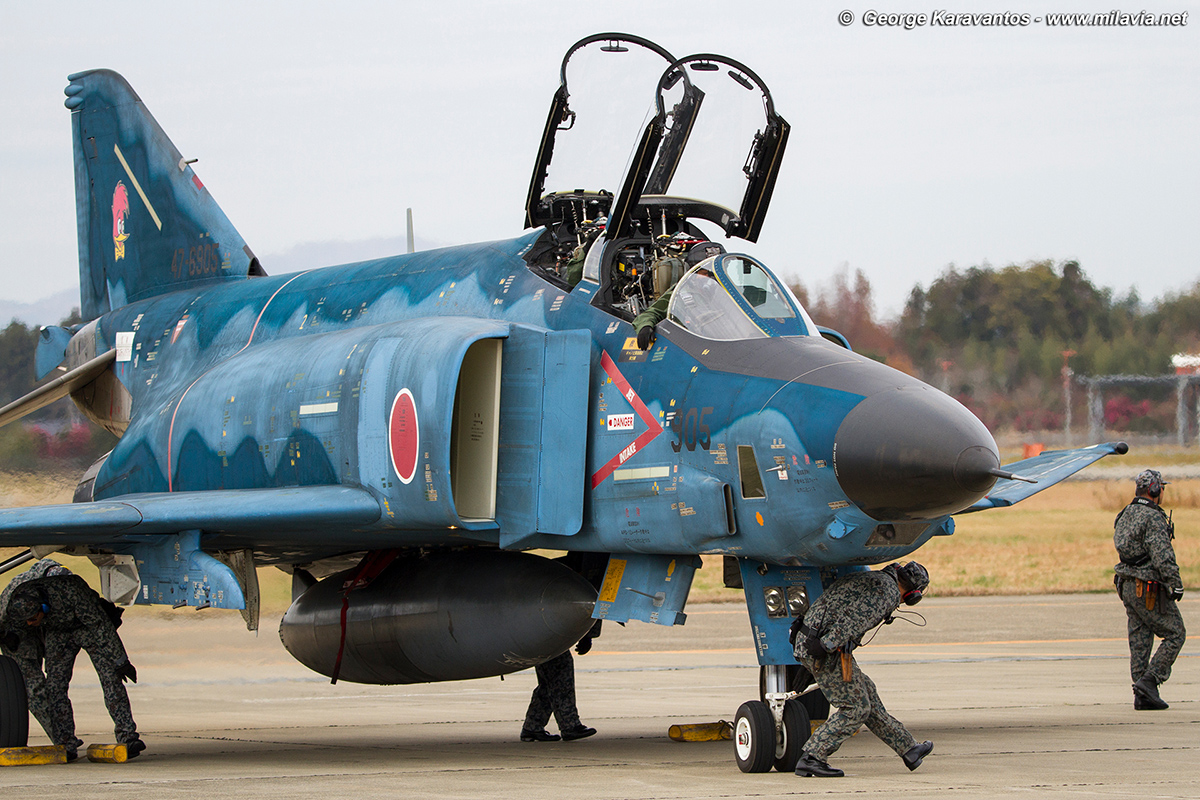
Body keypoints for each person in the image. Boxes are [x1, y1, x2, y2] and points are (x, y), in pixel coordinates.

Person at [791, 562, 933, 778]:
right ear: (913, 594)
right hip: (824, 648)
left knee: (867, 692)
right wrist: (824, 647)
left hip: (816, 642)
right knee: (856, 707)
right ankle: (812, 757)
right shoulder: (887, 593)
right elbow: (853, 621)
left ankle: (909, 748)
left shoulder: (876, 579)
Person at [2, 572, 144, 761]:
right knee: (55, 687)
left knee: (111, 677)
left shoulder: (72, 593)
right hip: (58, 633)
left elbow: (100, 626)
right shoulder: (19, 601)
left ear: (43, 607)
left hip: (87, 627)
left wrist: (120, 660)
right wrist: (11, 636)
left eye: (33, 618)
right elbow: (13, 624)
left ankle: (128, 736)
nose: (30, 623)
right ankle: (65, 744)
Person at [1113, 468, 1186, 710]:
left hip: (1127, 585)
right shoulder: (1153, 517)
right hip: (1147, 588)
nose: (1162, 491)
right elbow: (1162, 555)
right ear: (1154, 489)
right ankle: (1150, 681)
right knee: (1175, 633)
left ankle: (1141, 694)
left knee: (1140, 640)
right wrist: (1175, 583)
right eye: (1161, 487)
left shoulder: (1125, 513)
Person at [0, 558, 74, 747]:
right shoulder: (17, 590)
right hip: (16, 637)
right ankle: (63, 743)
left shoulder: (62, 587)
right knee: (35, 689)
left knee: (55, 686)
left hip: (44, 630)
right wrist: (7, 636)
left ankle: (65, 739)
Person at [520, 620, 600, 742]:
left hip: (541, 630)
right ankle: (569, 726)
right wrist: (587, 636)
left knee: (550, 681)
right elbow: (595, 609)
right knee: (560, 672)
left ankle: (533, 726)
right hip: (545, 632)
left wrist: (587, 636)